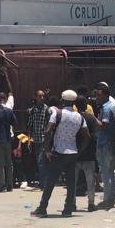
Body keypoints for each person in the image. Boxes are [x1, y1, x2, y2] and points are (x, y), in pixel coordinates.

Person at [31, 90, 86, 218]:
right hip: (72, 153)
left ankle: (42, 208)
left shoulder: (57, 113)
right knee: (71, 183)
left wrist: (47, 150)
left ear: (63, 101)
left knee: (50, 181)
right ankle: (68, 209)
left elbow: (48, 131)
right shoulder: (79, 117)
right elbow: (87, 136)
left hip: (58, 152)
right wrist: (79, 151)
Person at [73, 95, 99, 210]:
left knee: (72, 181)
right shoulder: (91, 118)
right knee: (90, 181)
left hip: (74, 154)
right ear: (85, 105)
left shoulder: (73, 117)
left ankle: (72, 203)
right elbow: (95, 135)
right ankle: (91, 203)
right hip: (89, 154)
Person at [26, 90, 50, 189]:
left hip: (44, 140)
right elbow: (30, 125)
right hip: (36, 140)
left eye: (43, 96)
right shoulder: (33, 110)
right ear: (35, 97)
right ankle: (43, 181)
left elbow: (49, 125)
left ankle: (43, 183)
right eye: (39, 96)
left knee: (41, 161)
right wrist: (29, 139)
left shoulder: (47, 109)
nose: (42, 98)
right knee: (39, 161)